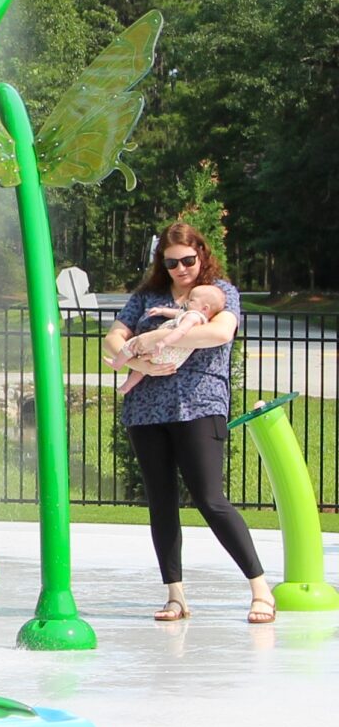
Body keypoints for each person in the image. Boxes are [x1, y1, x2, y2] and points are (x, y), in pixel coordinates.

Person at [103, 223, 272, 623]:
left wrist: (161, 339)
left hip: (199, 405)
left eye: (188, 260)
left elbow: (219, 333)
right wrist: (140, 358)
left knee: (210, 499)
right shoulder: (148, 297)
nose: (181, 268)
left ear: (202, 254)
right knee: (161, 503)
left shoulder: (219, 292)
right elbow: (113, 337)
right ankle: (175, 595)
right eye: (171, 262)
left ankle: (260, 588)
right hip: (146, 410)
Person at [118, 281, 227, 403]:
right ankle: (127, 385)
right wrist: (163, 311)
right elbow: (177, 314)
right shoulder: (199, 318)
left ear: (204, 308)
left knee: (134, 344)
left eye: (191, 300)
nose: (187, 302)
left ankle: (118, 363)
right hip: (174, 360)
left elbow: (180, 331)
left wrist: (162, 340)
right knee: (143, 368)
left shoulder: (192, 316)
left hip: (167, 351)